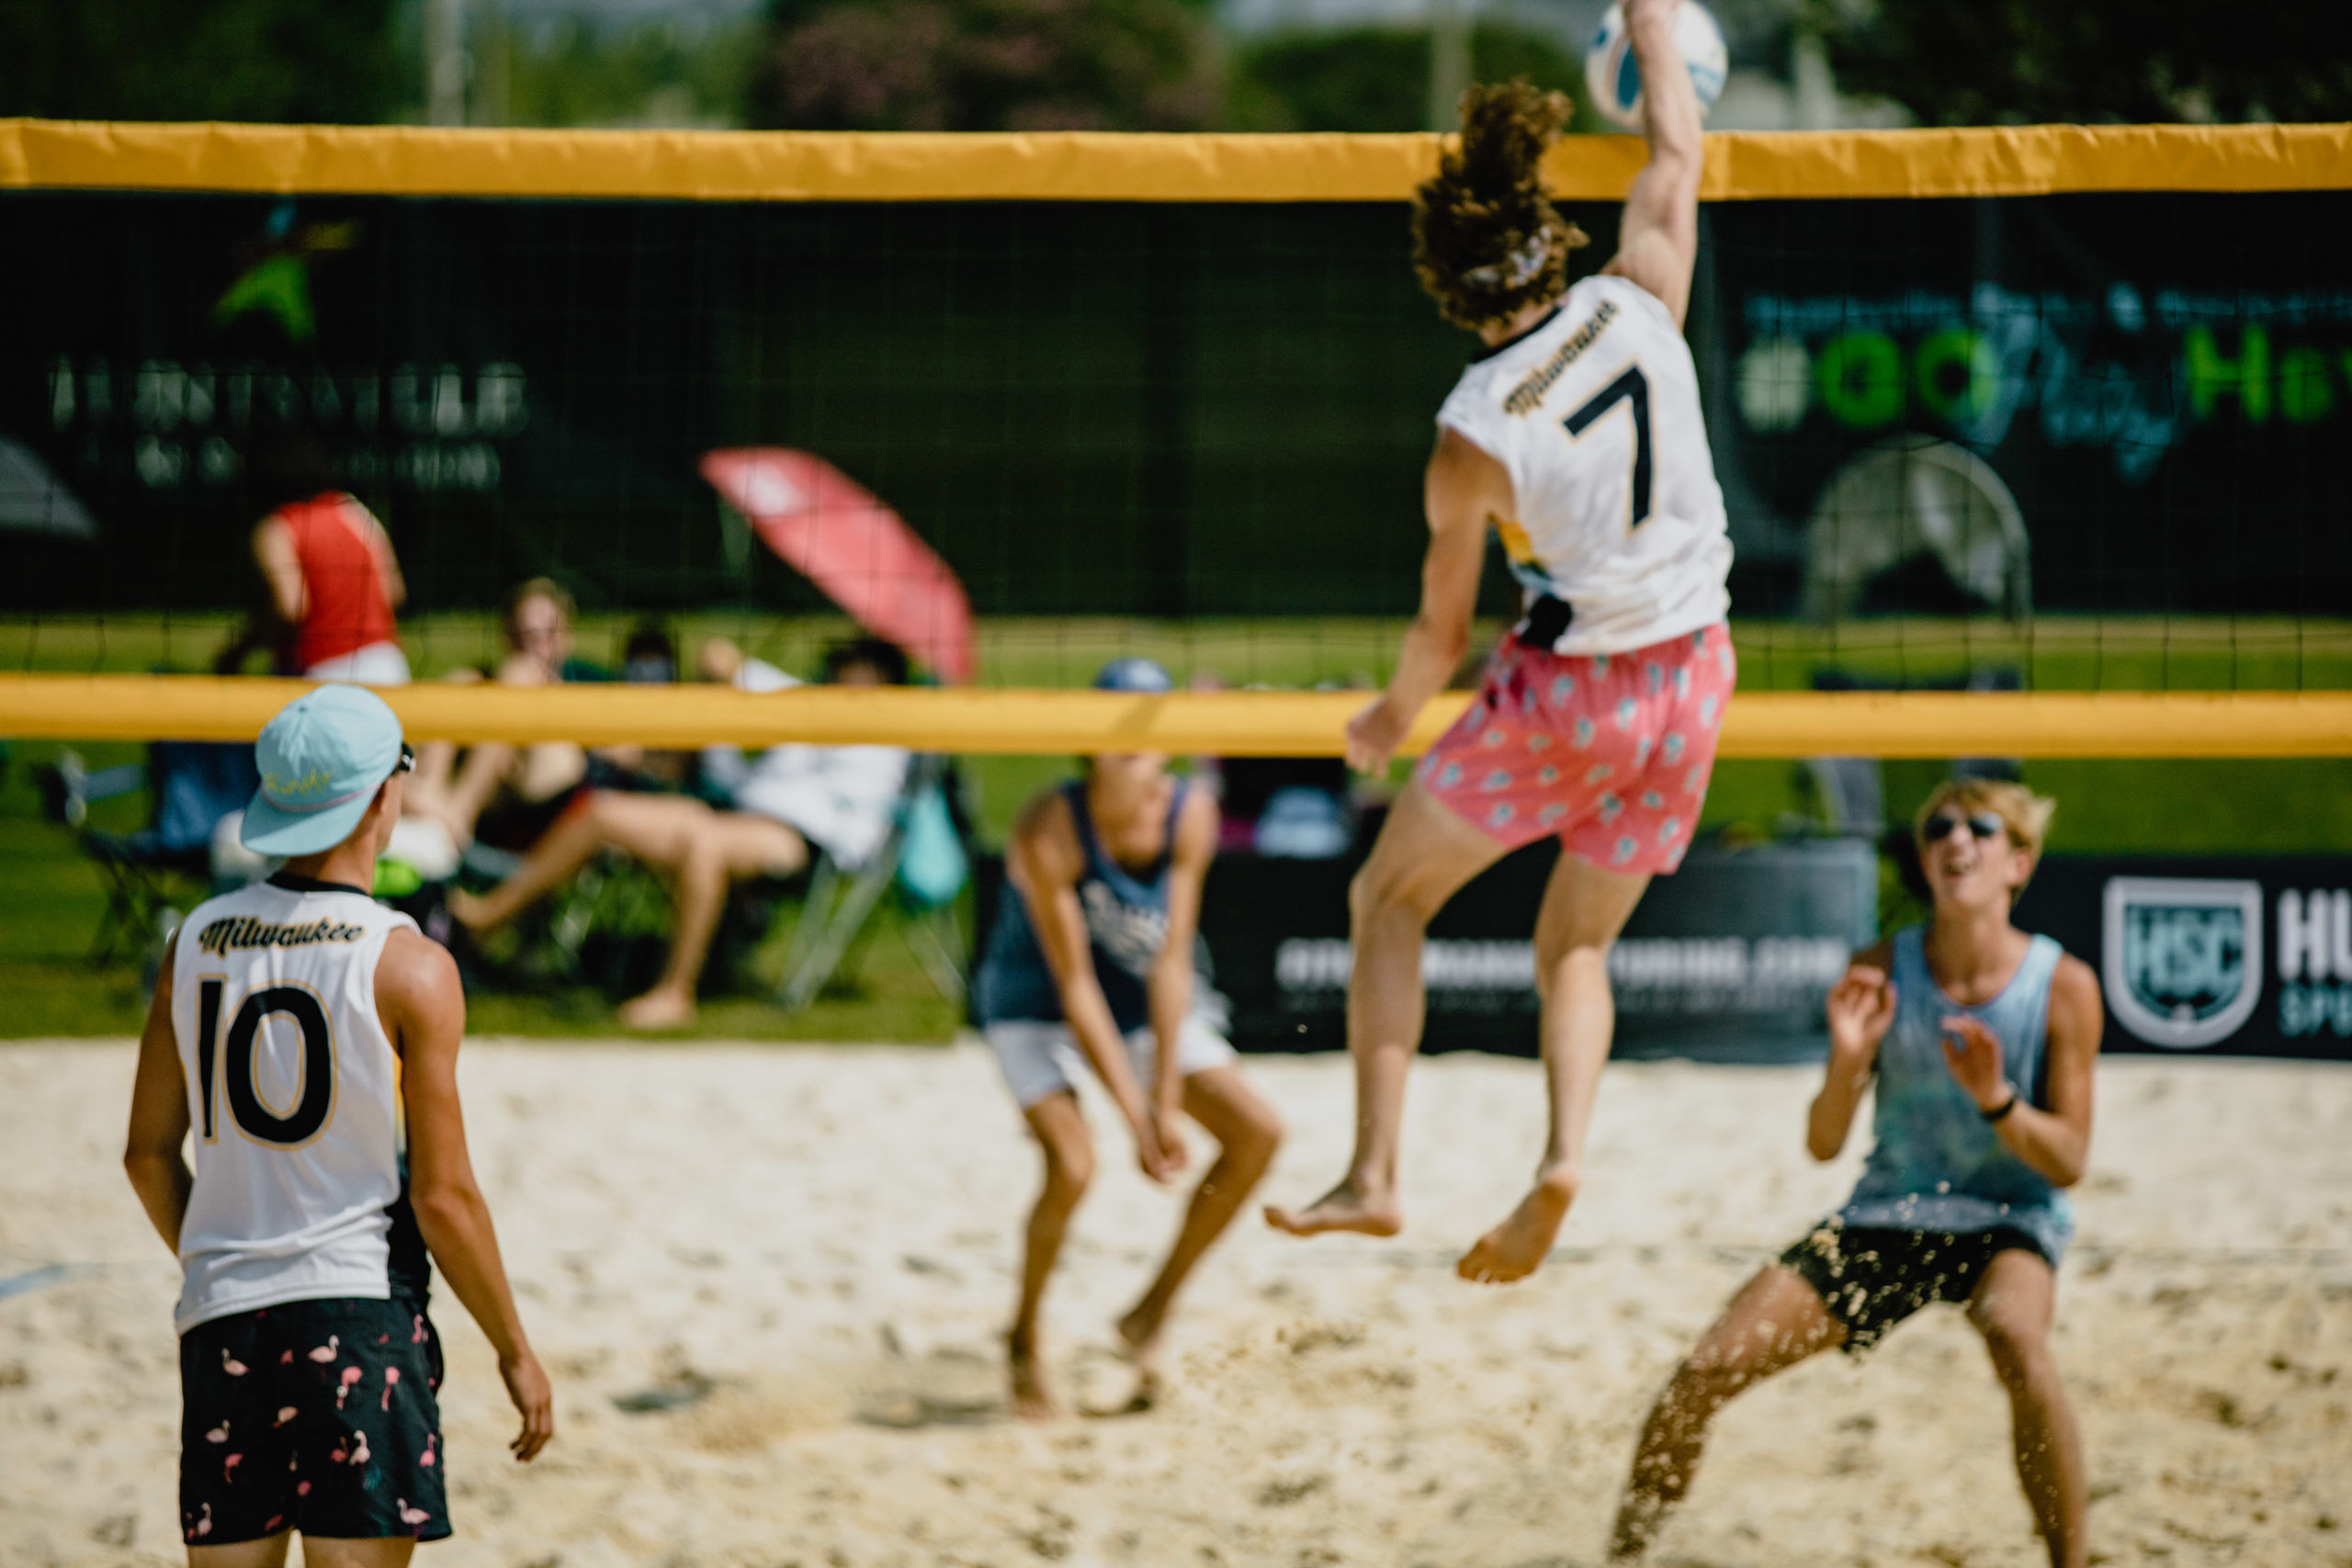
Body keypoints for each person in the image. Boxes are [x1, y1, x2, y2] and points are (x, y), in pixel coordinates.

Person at [1265, 11, 1733, 1283]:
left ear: (1446, 280)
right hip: (1694, 677)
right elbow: (1677, 151)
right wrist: (1651, 22)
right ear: (1548, 236)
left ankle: (1372, 1174)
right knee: (1577, 944)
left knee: (1387, 898)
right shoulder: (1640, 299)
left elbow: (1441, 626)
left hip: (1574, 694)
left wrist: (1386, 718)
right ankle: (1562, 1156)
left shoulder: (1472, 429)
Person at [1609, 779, 2099, 1566]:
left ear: (2019, 861)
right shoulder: (1879, 969)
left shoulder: (2062, 985)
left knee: (2016, 1336)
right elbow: (1823, 1143)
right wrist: (1844, 1060)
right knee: (1703, 1370)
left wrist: (1997, 1099)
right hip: (1890, 1213)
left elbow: (2070, 1160)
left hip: (2007, 1213)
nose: (1955, 838)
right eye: (1939, 825)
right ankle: (1624, 1555)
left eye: (1980, 826)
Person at [123, 684, 554, 1564]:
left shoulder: (192, 941)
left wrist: (231, 1255)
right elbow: (443, 1195)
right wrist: (514, 1346)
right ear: (382, 799)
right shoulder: (410, 966)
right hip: (357, 1319)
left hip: (225, 1322)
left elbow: (145, 1155)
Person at [972, 658, 1284, 1419]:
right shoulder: (1050, 826)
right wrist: (1138, 1116)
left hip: (1140, 1002)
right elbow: (1074, 984)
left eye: (1153, 722)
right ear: (1092, 740)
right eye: (1124, 724)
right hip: (1034, 1002)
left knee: (1257, 1134)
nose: (1141, 741)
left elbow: (1172, 959)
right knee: (1074, 1165)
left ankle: (1149, 1310)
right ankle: (1021, 1337)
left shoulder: (1188, 812)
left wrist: (1165, 1098)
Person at [449, 636, 912, 1030]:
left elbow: (792, 702)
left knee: (702, 843)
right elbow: (748, 757)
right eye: (842, 668)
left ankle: (676, 991)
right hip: (735, 814)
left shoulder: (887, 721)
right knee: (601, 812)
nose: (841, 676)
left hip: (803, 841)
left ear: (882, 681)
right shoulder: (815, 711)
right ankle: (487, 921)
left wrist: (740, 669)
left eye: (856, 670)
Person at [403, 579, 591, 851]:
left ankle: (455, 813)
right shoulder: (482, 682)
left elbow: (625, 751)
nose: (535, 648)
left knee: (518, 676)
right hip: (496, 802)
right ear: (508, 637)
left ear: (566, 638)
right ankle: (433, 800)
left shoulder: (585, 681)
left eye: (547, 635)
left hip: (549, 800)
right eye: (524, 635)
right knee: (462, 680)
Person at [249, 438, 410, 686]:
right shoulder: (354, 511)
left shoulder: (278, 528)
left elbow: (292, 607)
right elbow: (394, 593)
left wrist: (243, 644)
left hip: (323, 671)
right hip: (387, 665)